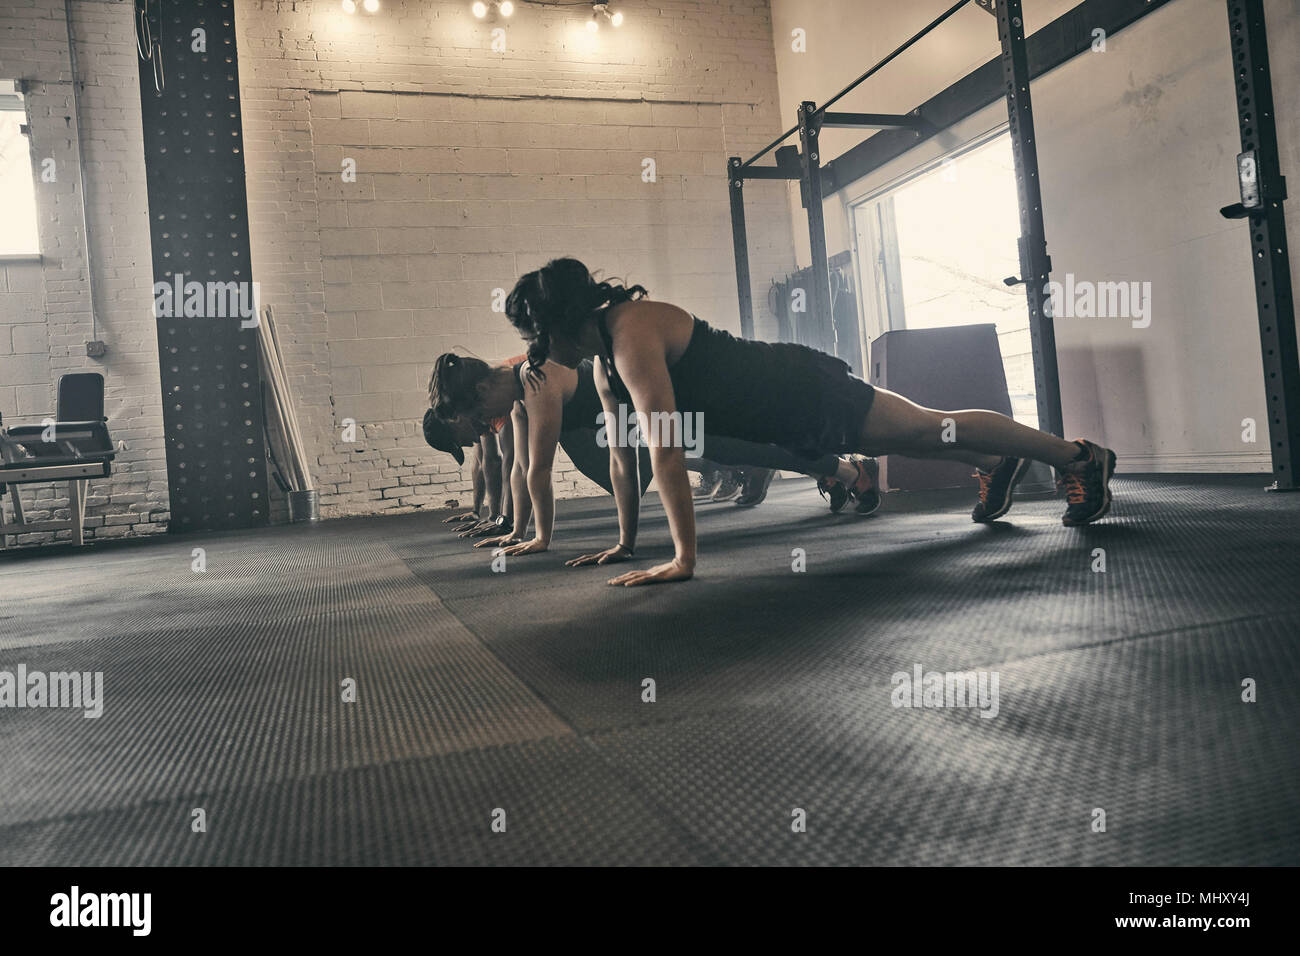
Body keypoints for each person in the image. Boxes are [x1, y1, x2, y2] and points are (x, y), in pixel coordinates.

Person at [502, 257, 1118, 587]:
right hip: (780, 415)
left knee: (929, 429)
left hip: (797, 390)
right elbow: (622, 457)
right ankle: (994, 462)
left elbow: (664, 449)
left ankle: (1080, 458)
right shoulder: (605, 363)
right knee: (921, 436)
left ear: (557, 323)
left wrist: (684, 558)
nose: (536, 352)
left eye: (535, 336)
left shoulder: (631, 333)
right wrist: (626, 544)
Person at [425, 352, 881, 554]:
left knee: (748, 445)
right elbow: (522, 468)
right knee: (739, 448)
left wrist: (539, 539)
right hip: (630, 417)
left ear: (485, 387)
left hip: (658, 397)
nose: (485, 425)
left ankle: (849, 470)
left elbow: (539, 471)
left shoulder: (535, 379)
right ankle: (834, 469)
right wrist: (517, 530)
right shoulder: (520, 396)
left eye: (480, 412)